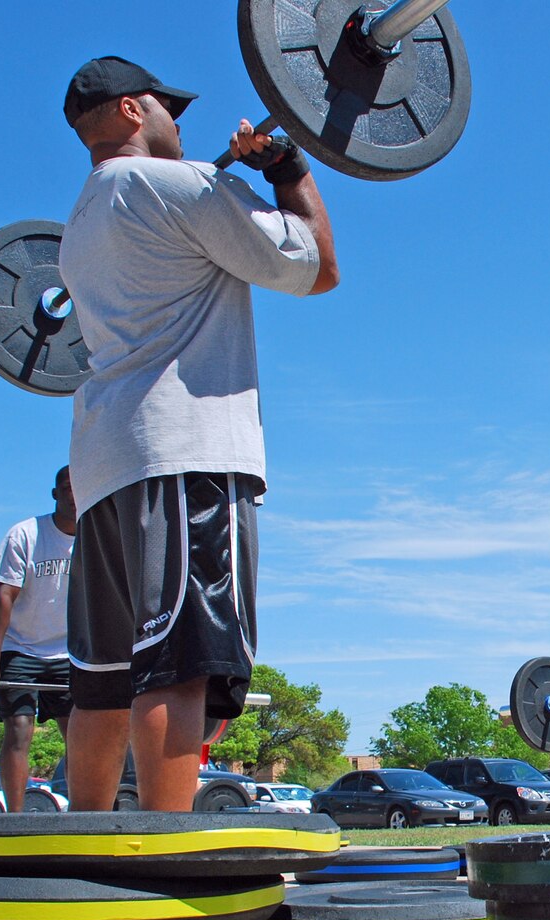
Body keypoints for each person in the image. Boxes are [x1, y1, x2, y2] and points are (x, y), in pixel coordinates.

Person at [57, 56, 338, 811]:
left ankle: (81, 862)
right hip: (184, 452)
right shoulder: (178, 187)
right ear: (127, 111)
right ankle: (162, 856)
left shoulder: (78, 225)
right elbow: (316, 267)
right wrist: (285, 168)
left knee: (105, 681)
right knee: (178, 666)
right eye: (166, 107)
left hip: (104, 465)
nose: (179, 123)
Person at [0, 467, 75, 811]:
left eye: (81, 488)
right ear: (54, 493)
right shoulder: (26, 534)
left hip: (70, 652)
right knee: (18, 729)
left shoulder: (100, 537)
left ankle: (85, 816)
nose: (74, 495)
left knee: (80, 737)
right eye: (66, 488)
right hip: (21, 649)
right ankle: (14, 819)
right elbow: (4, 596)